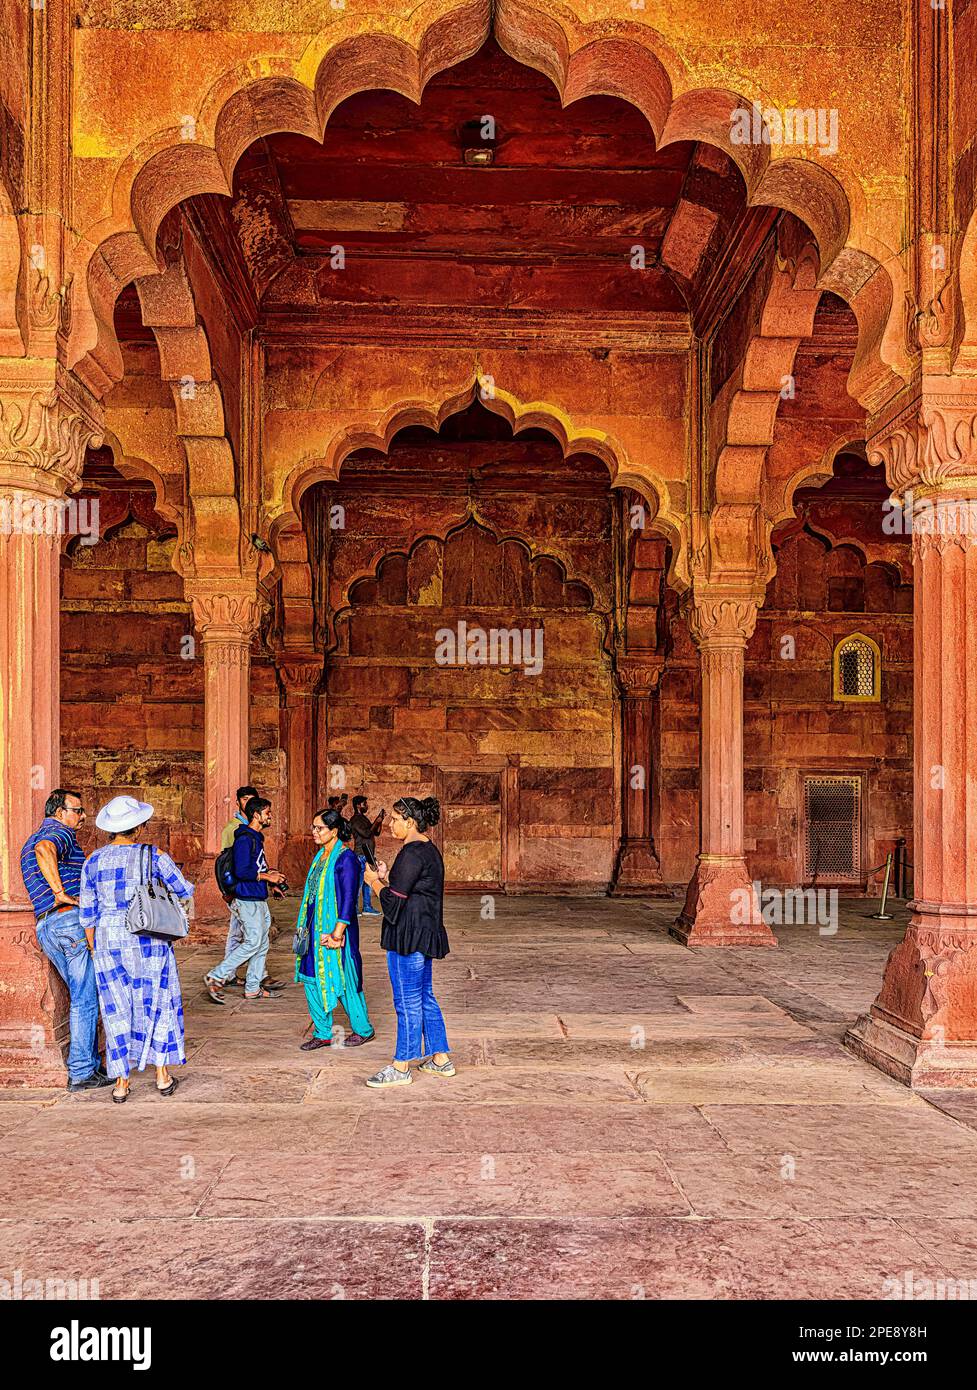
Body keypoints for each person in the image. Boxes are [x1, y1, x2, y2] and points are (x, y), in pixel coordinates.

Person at [80, 796, 192, 1103]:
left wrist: (94, 948)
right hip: (149, 935)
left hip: (107, 940)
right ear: (138, 828)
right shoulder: (153, 856)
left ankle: (121, 1082)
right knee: (158, 1000)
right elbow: (184, 889)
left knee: (115, 1007)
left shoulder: (93, 861)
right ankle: (161, 1075)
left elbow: (87, 913)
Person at [20, 789, 111, 1092]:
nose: (82, 817)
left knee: (81, 995)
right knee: (86, 998)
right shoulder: (57, 833)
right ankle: (83, 1071)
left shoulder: (26, 843)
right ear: (59, 812)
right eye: (77, 810)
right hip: (69, 922)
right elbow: (45, 849)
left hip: (47, 927)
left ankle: (88, 1065)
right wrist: (60, 892)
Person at [362, 795, 452, 1087]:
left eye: (396, 820)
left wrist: (373, 882)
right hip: (423, 933)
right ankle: (441, 1059)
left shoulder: (411, 853)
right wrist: (387, 879)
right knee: (425, 997)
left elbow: (392, 905)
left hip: (408, 938)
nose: (390, 825)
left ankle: (400, 1067)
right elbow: (405, 892)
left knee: (407, 1002)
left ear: (410, 822)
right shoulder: (428, 850)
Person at [294, 809, 374, 1050]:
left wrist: (338, 932)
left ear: (335, 831)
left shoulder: (345, 858)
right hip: (313, 928)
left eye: (320, 828)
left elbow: (349, 898)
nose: (315, 832)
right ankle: (323, 1031)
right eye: (314, 827)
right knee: (311, 977)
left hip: (337, 929)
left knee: (344, 978)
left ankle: (363, 1029)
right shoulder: (320, 856)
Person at [204, 796, 286, 1004]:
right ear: (256, 815)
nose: (270, 817)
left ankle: (252, 987)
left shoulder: (256, 838)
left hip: (257, 895)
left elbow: (257, 867)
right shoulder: (243, 839)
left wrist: (271, 882)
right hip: (245, 896)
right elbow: (242, 871)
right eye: (267, 813)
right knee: (251, 942)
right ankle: (217, 976)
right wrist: (267, 877)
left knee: (262, 942)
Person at [348, 795, 384, 916]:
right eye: (365, 804)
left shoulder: (363, 818)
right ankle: (354, 908)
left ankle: (367, 907)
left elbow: (376, 832)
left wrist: (380, 821)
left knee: (367, 883)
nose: (366, 806)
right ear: (358, 805)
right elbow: (367, 833)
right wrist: (376, 821)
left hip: (367, 855)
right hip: (360, 855)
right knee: (358, 883)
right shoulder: (355, 820)